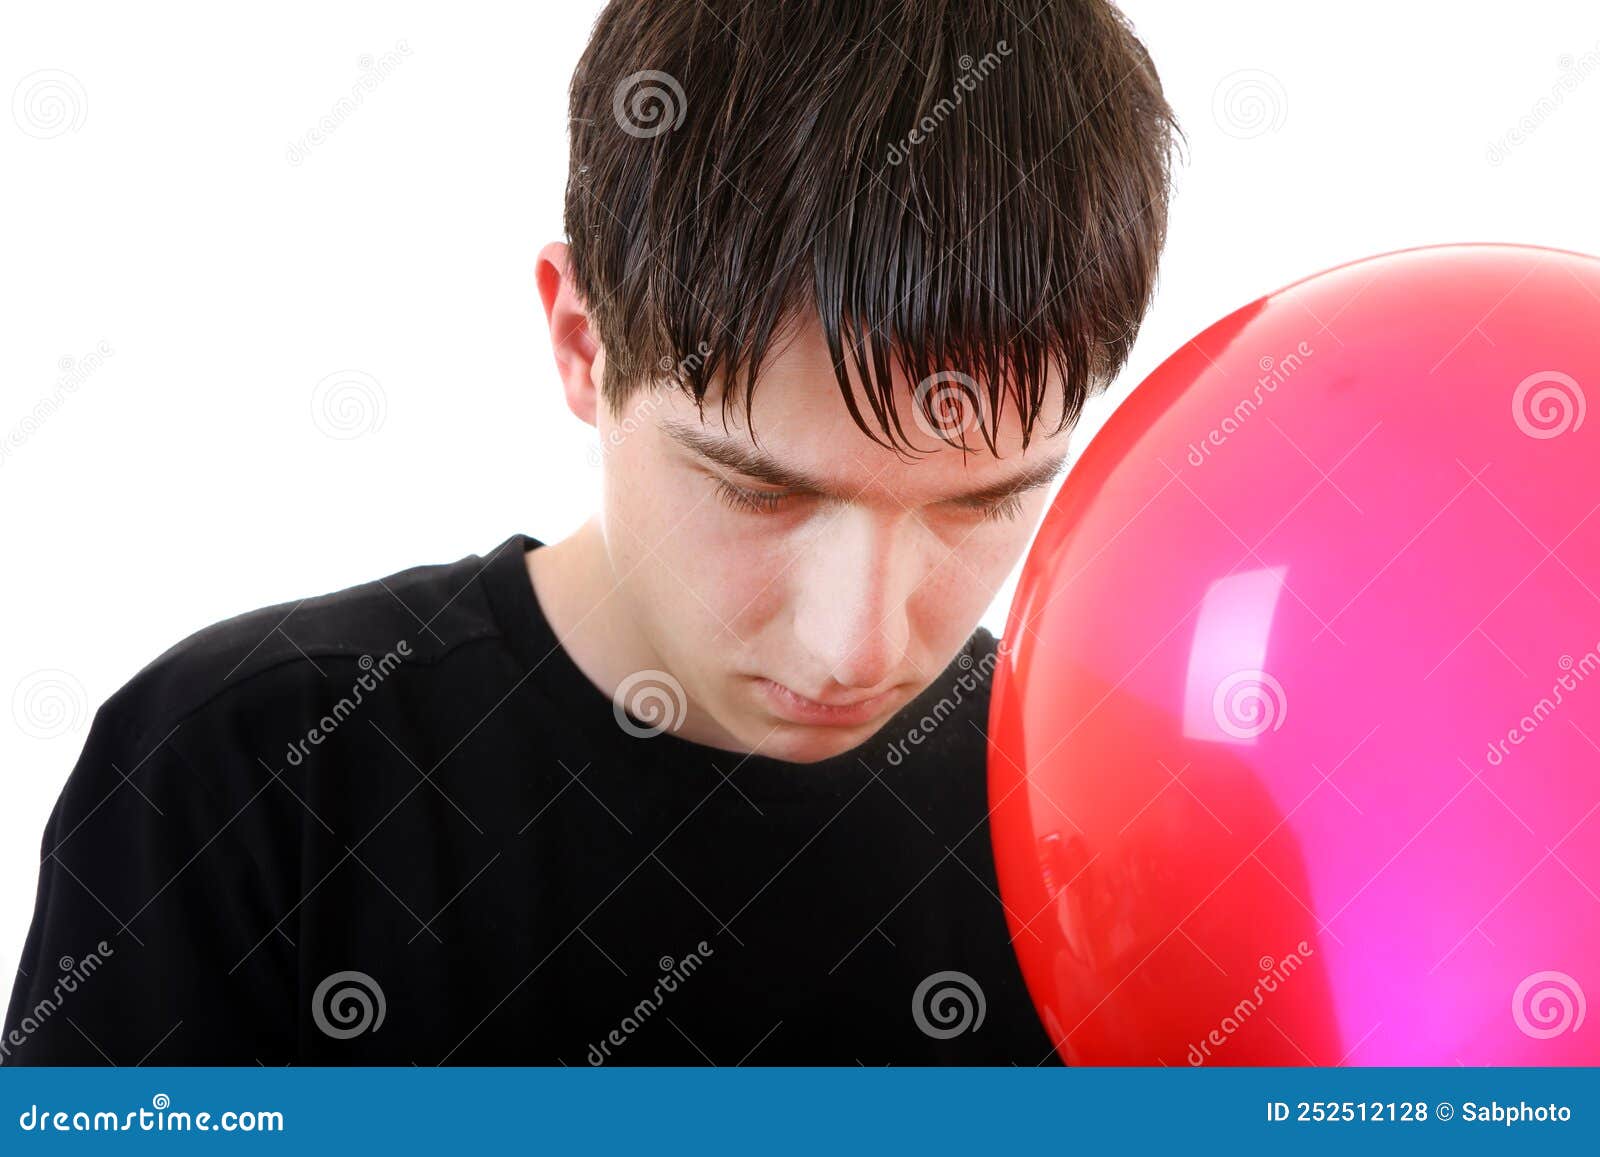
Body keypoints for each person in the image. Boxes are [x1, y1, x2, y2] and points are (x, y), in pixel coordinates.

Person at [4, 0, 1177, 1065]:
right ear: (579, 340)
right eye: (760, 490)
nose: (857, 647)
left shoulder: (1120, 821)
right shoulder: (236, 774)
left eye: (980, 501)